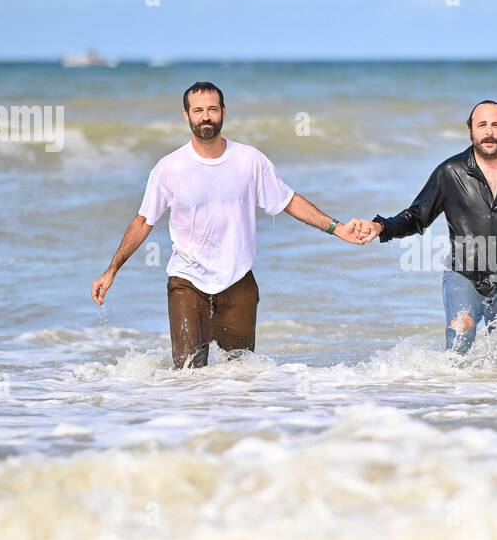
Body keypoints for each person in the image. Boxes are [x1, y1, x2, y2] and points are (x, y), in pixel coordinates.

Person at [91, 81, 369, 368]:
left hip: (238, 283)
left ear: (223, 111)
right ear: (186, 115)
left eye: (212, 108)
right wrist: (111, 270)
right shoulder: (168, 169)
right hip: (187, 282)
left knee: (240, 376)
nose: (206, 116)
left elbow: (288, 201)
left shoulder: (250, 160)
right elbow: (143, 221)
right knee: (189, 376)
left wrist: (337, 228)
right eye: (198, 110)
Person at [360, 100, 497, 353]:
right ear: (470, 129)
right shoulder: (450, 172)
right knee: (462, 332)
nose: (489, 132)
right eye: (482, 125)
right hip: (464, 274)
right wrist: (381, 227)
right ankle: (453, 391)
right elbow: (417, 216)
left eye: (496, 125)